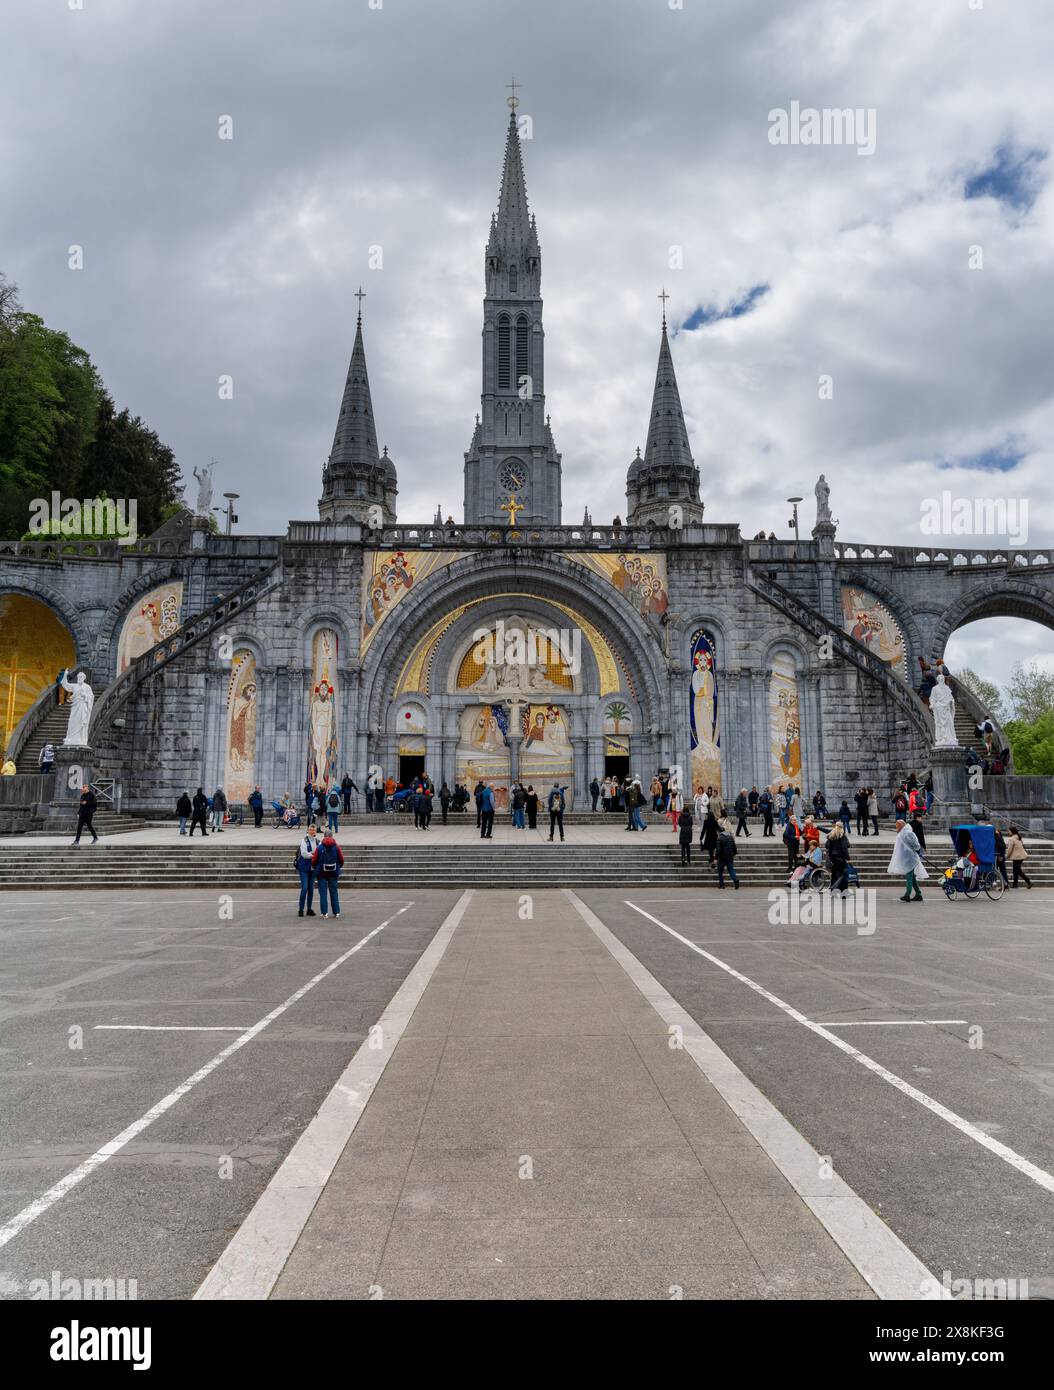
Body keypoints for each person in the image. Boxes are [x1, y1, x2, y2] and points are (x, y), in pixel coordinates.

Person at [888, 818, 927, 902]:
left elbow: (916, 844)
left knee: (909, 876)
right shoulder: (903, 833)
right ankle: (918, 894)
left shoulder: (908, 833)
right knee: (911, 877)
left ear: (901, 825)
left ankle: (907, 895)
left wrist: (916, 850)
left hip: (910, 858)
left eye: (897, 825)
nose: (896, 827)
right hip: (907, 858)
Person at [311, 830, 344, 918]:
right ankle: (336, 912)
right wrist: (338, 867)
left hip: (321, 873)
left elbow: (314, 860)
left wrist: (315, 867)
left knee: (323, 893)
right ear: (332, 836)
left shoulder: (320, 847)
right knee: (334, 892)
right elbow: (341, 859)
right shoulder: (336, 847)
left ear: (324, 836)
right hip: (333, 872)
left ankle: (324, 913)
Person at [296, 823, 319, 917]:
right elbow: (304, 854)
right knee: (304, 888)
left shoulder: (318, 841)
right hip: (304, 868)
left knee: (311, 889)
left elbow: (320, 853)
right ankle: (301, 909)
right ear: (308, 830)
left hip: (313, 869)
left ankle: (309, 909)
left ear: (315, 831)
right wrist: (314, 855)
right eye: (310, 830)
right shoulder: (304, 841)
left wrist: (312, 854)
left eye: (313, 830)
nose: (312, 831)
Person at [827, 822, 851, 894]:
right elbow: (844, 848)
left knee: (834, 875)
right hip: (840, 859)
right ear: (841, 827)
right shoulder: (842, 836)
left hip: (833, 858)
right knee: (843, 875)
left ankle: (833, 891)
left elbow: (829, 847)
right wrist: (848, 858)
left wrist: (830, 857)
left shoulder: (831, 836)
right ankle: (844, 892)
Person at [715, 821, 739, 889]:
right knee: (731, 870)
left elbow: (718, 850)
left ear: (719, 832)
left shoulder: (719, 838)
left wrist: (716, 859)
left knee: (720, 871)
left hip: (722, 858)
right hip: (729, 857)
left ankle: (722, 884)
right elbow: (734, 847)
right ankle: (735, 880)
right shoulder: (730, 837)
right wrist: (733, 854)